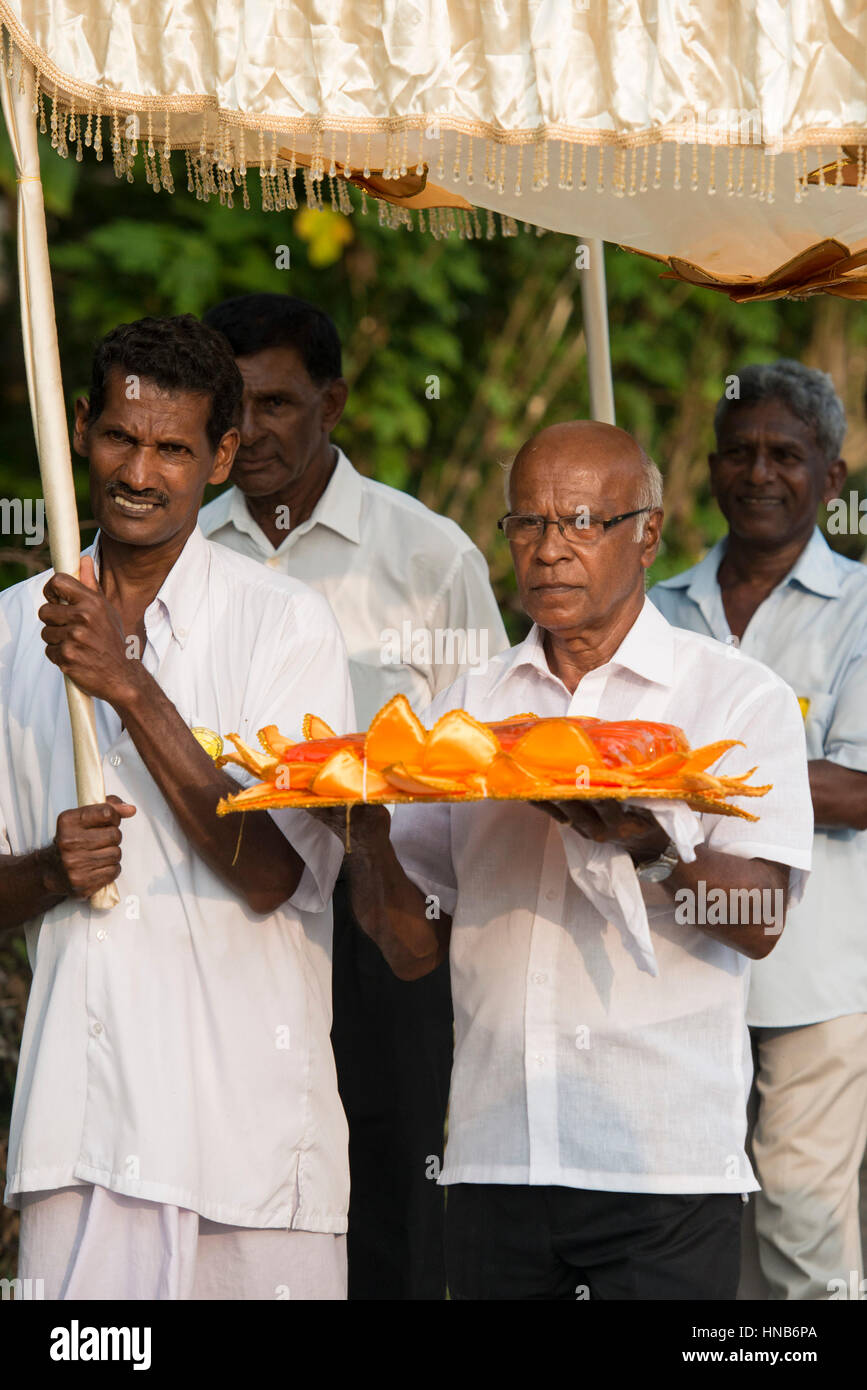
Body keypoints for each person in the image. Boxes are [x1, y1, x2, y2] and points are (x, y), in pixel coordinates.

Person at [316, 420, 813, 1300]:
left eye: (581, 522)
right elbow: (411, 947)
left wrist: (653, 847)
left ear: (647, 532)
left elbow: (760, 925)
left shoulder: (734, 696)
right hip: (493, 1155)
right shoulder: (471, 708)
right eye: (526, 525)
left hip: (660, 1163)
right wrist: (360, 835)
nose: (548, 550)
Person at [0, 315, 354, 1300]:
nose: (141, 472)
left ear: (223, 456)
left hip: (250, 1150)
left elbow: (276, 872)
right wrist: (43, 873)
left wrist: (130, 686)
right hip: (84, 1139)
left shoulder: (286, 627)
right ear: (80, 429)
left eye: (173, 448)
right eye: (120, 437)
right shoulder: (6, 635)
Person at [198, 293, 508, 1300]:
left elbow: (490, 751)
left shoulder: (430, 557)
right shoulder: (180, 556)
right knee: (231, 1165)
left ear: (333, 401)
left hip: (386, 914)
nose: (250, 432)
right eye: (229, 405)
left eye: (276, 403)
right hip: (227, 907)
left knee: (396, 1175)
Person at [650, 360, 867, 1301]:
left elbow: (860, 788)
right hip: (674, 965)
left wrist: (680, 776)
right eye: (738, 453)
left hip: (816, 982)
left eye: (787, 454)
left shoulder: (860, 608)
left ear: (832, 478)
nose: (759, 473)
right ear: (708, 470)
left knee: (800, 1226)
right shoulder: (654, 609)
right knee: (687, 1224)